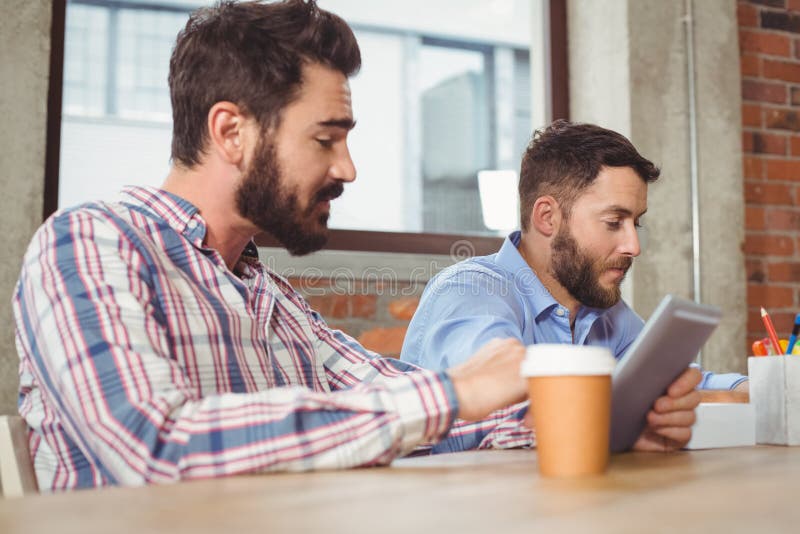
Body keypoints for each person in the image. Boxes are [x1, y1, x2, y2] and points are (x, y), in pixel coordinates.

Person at [12, 0, 533, 491]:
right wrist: (451, 392)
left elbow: (401, 404)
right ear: (231, 132)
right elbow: (155, 447)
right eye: (324, 139)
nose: (347, 169)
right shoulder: (89, 245)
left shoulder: (274, 300)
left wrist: (560, 409)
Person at [401, 120, 746, 449]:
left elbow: (688, 383)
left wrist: (751, 387)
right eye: (614, 222)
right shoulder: (471, 293)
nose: (634, 246)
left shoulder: (606, 314)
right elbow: (505, 414)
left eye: (635, 224)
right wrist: (673, 404)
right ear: (548, 217)